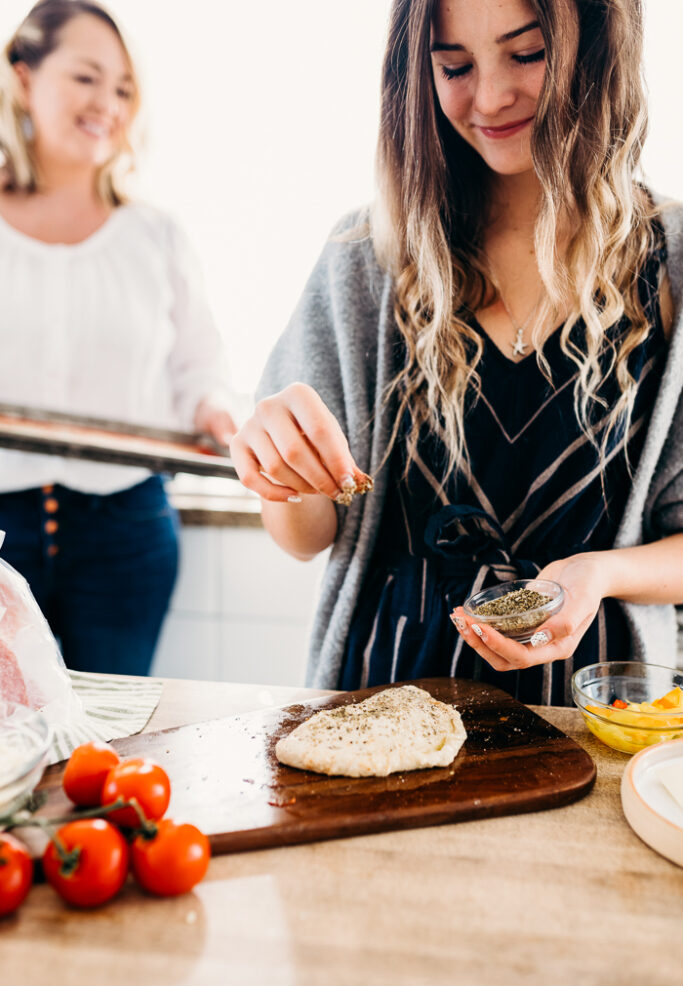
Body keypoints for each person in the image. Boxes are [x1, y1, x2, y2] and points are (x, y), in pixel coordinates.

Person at [231, 0, 683, 703]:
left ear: (597, 53)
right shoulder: (364, 259)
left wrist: (598, 574)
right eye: (454, 66)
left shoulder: (672, 264)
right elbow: (304, 536)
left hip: (594, 712)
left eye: (526, 53)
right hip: (381, 694)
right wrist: (279, 466)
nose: (491, 96)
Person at [0, 0, 237, 676]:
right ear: (23, 76)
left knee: (108, 742)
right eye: (86, 77)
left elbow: (201, 368)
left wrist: (218, 414)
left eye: (125, 88)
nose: (108, 102)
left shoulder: (155, 236)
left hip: (126, 533)